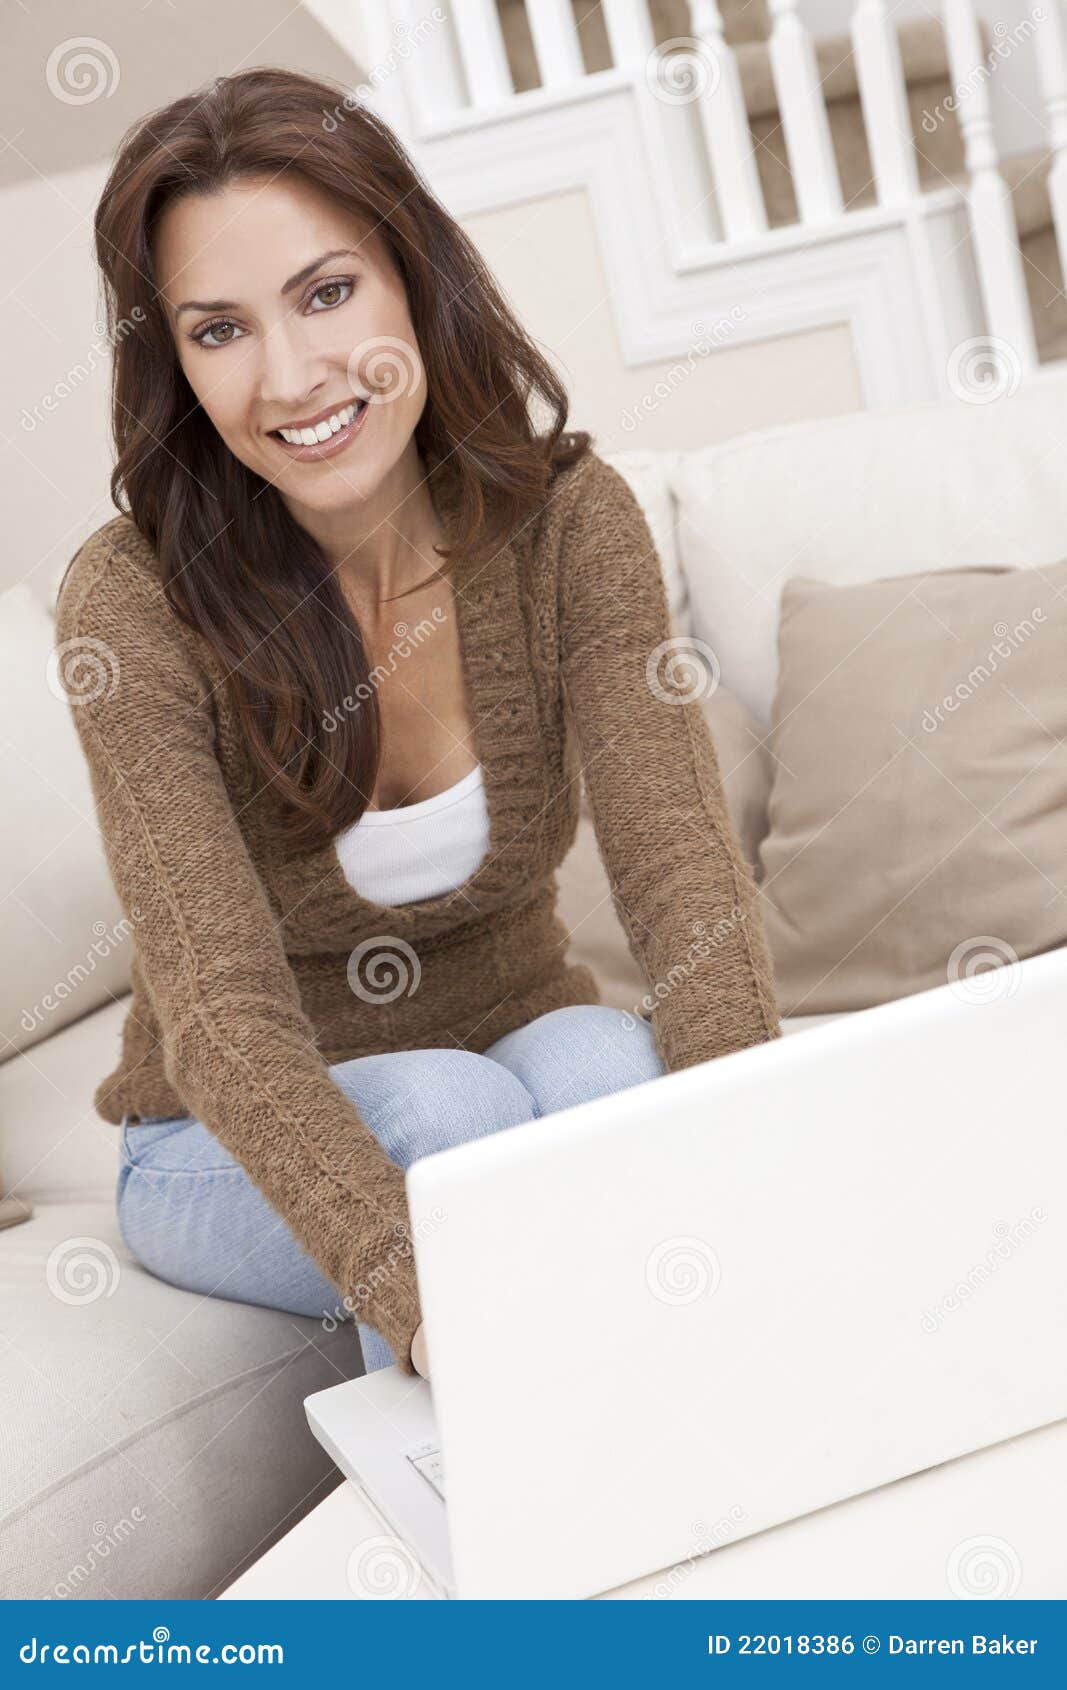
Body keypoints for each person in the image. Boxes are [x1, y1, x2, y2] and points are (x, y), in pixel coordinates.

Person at [55, 68, 781, 1383]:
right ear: (174, 359)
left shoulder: (569, 522)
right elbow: (218, 1018)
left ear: (412, 275)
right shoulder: (131, 601)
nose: (291, 376)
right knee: (453, 1118)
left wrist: (758, 1145)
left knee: (621, 1071)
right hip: (222, 1141)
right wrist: (422, 1301)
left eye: (326, 293)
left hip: (508, 1040)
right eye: (219, 331)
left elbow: (683, 876)